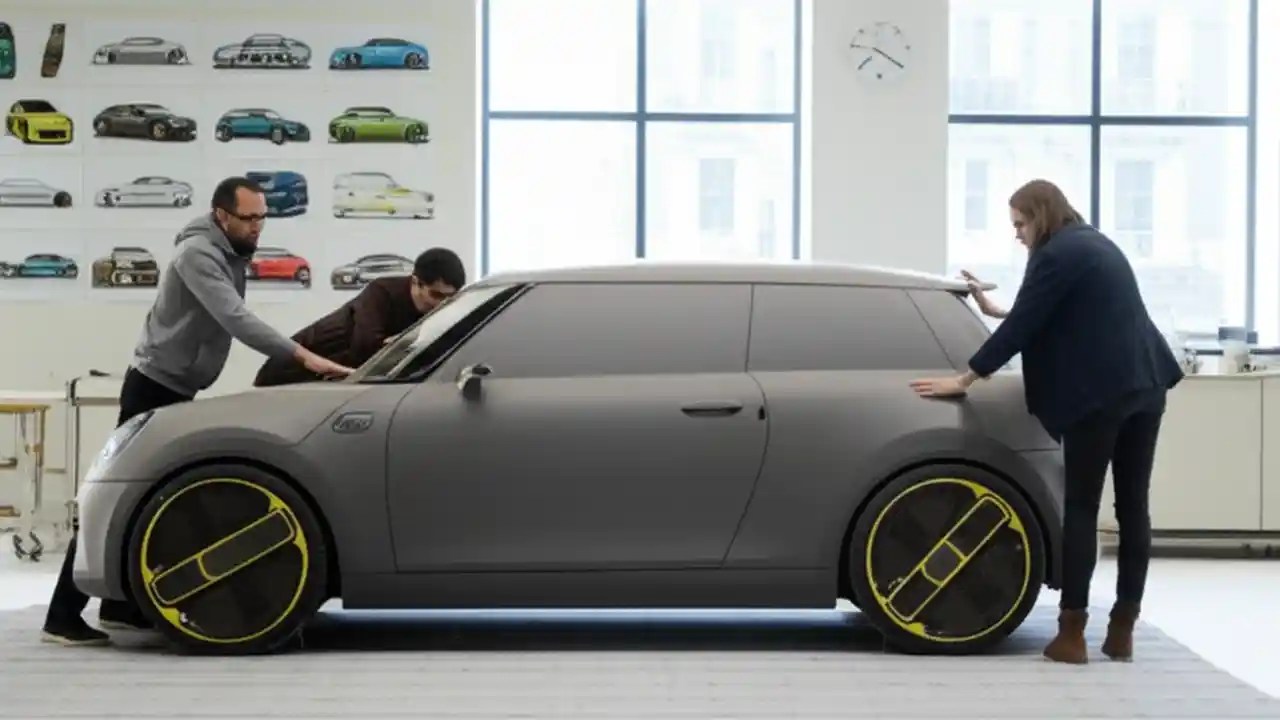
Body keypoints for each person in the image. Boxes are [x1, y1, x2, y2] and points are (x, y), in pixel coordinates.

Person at [41, 176, 354, 646]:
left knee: (151, 497)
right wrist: (301, 356)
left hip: (177, 385)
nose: (257, 227)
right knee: (119, 497)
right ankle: (61, 617)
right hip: (152, 387)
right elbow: (234, 317)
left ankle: (119, 608)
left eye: (262, 217)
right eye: (248, 218)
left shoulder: (230, 251)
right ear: (221, 215)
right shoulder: (197, 255)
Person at [907, 179, 1183, 665]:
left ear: (1041, 215)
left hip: (1098, 397)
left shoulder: (1055, 254)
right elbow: (1057, 311)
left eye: (1019, 223)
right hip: (1147, 386)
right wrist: (994, 308)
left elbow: (1022, 330)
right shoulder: (1093, 243)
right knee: (1133, 508)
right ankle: (1122, 630)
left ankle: (1071, 635)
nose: (1017, 234)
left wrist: (966, 378)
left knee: (1080, 508)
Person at [252, 248, 466, 387]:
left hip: (335, 381)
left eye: (450, 298)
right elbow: (366, 347)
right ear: (415, 282)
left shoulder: (443, 309)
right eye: (436, 295)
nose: (442, 304)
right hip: (291, 373)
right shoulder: (381, 292)